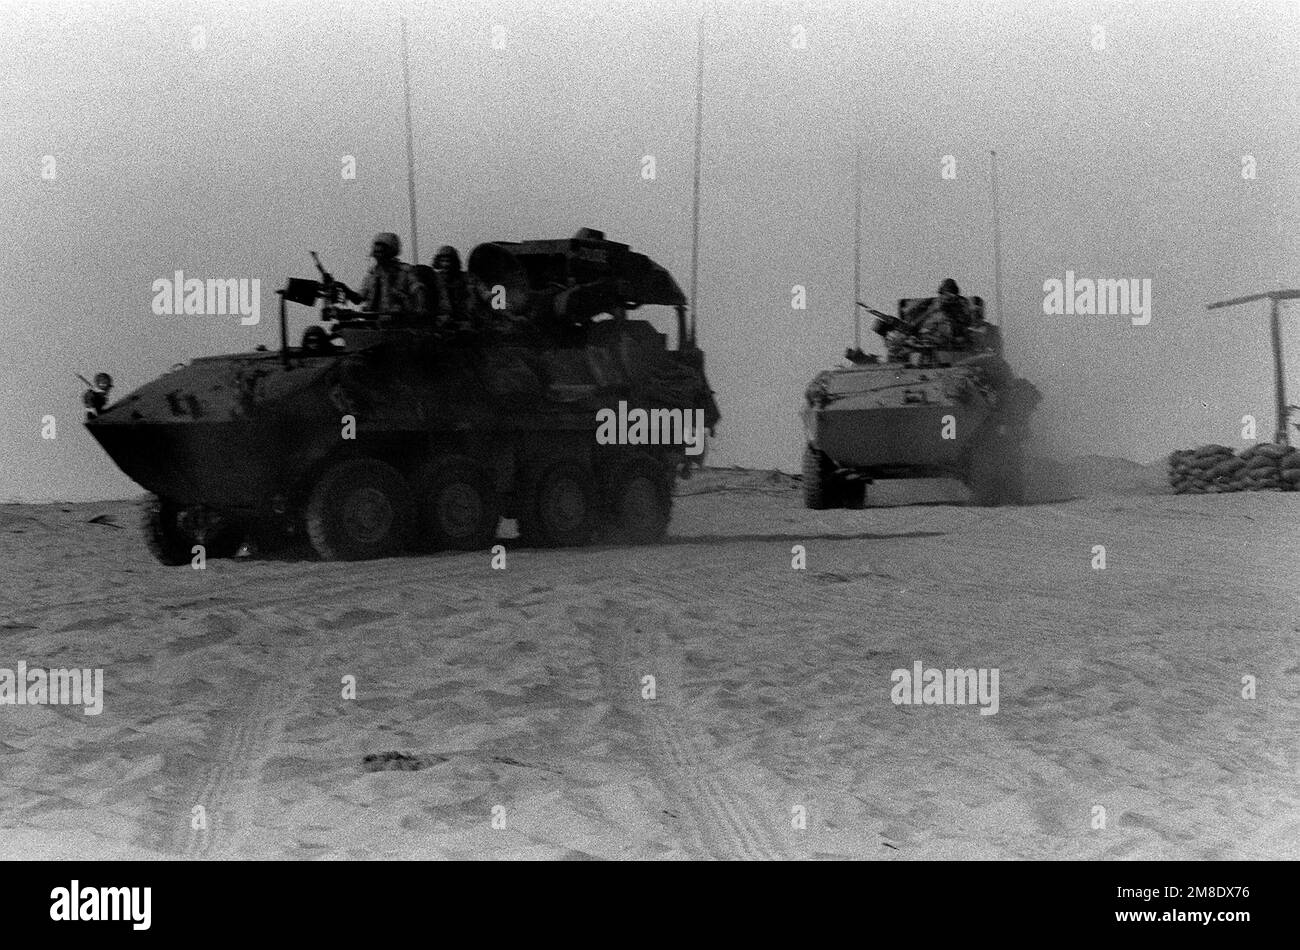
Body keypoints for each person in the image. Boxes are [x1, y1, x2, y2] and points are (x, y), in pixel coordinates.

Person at [342, 232, 425, 316]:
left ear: (390, 252)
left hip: (399, 321)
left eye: (381, 252)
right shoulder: (373, 275)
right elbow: (359, 299)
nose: (378, 256)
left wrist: (419, 312)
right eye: (376, 252)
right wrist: (343, 288)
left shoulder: (405, 272)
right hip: (374, 321)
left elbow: (418, 291)